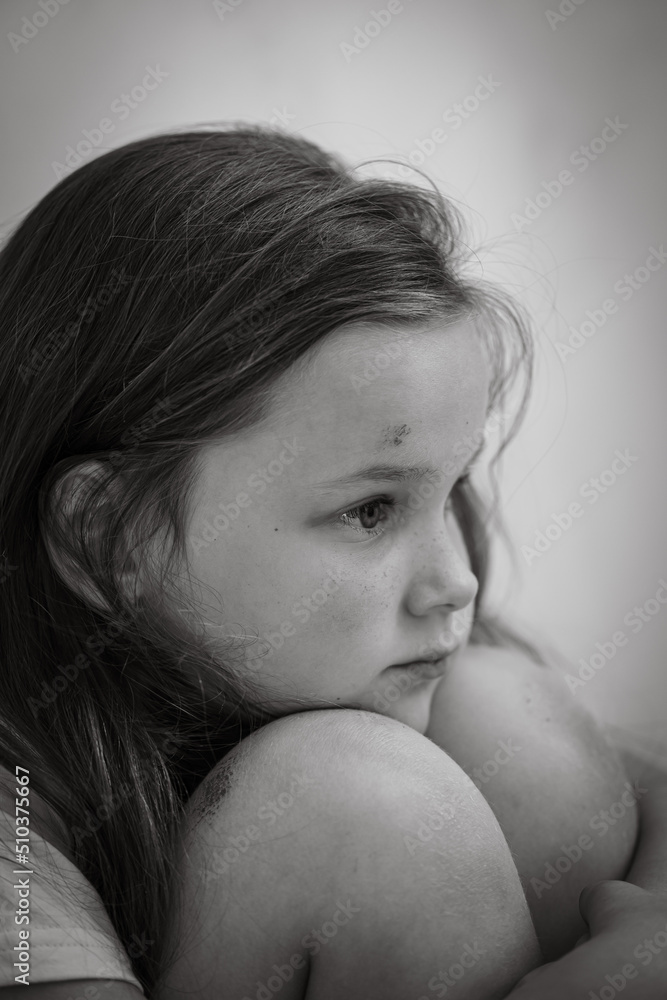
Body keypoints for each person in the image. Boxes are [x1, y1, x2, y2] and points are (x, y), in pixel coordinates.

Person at [0, 125, 665, 999]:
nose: (455, 581)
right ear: (110, 538)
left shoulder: (367, 665)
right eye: (369, 510)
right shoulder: (13, 805)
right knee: (354, 802)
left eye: (452, 488)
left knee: (513, 725)